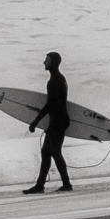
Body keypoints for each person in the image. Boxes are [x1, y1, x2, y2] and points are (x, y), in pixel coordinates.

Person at [26, 50, 77, 195]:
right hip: (58, 120)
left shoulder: (56, 80)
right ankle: (41, 185)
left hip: (58, 121)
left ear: (53, 62)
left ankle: (64, 184)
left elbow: (51, 104)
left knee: (54, 152)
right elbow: (54, 104)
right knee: (47, 152)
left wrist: (36, 121)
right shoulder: (58, 79)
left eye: (47, 60)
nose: (44, 62)